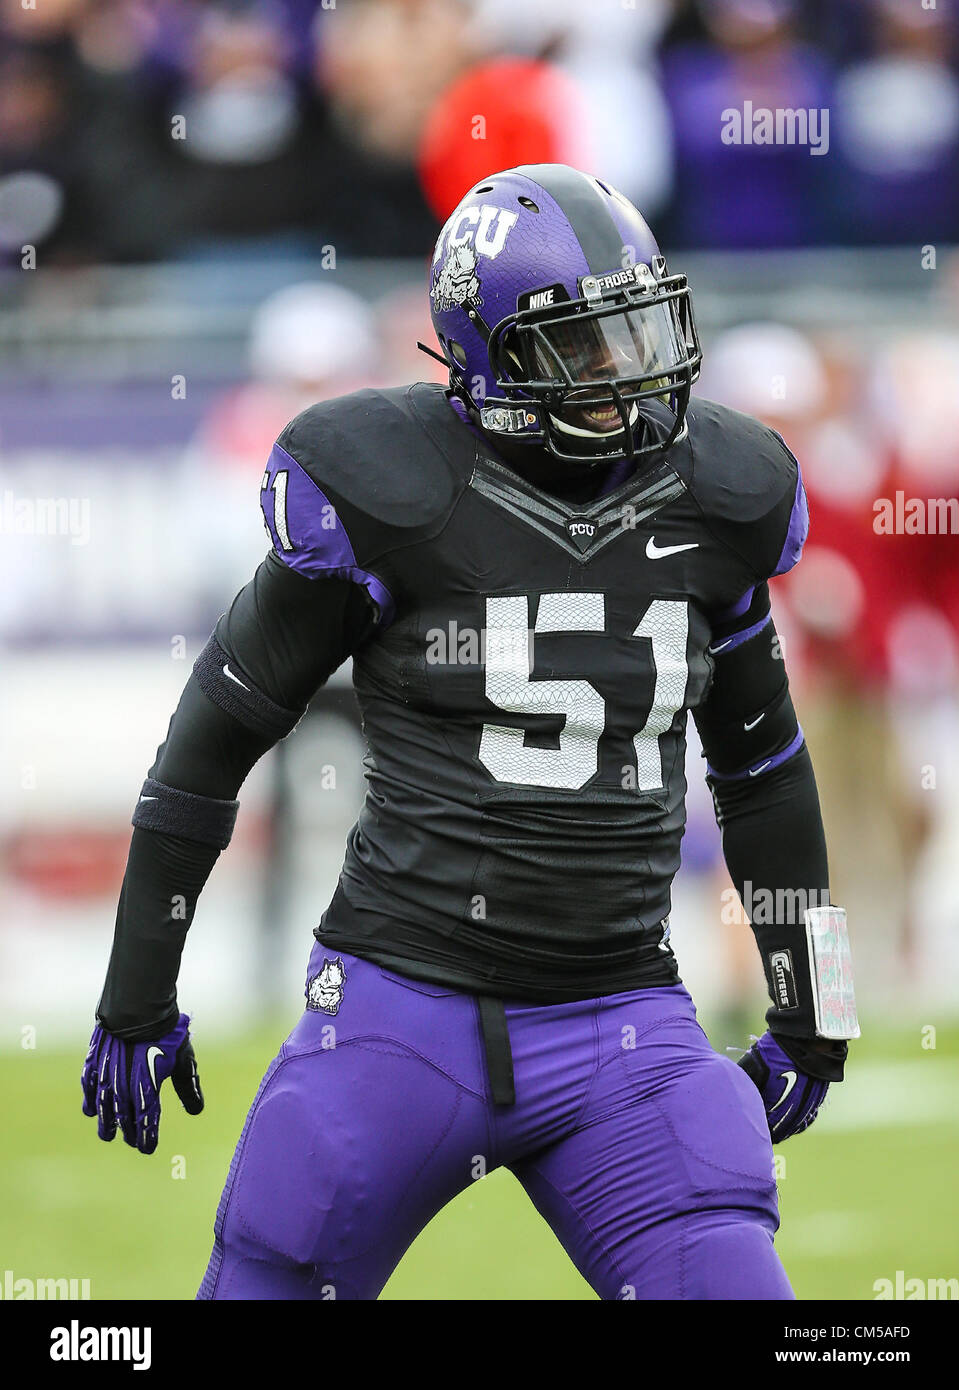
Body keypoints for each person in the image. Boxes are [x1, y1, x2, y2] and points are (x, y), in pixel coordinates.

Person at [82, 164, 858, 1301]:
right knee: (270, 1267)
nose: (631, 373)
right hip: (404, 1015)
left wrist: (815, 1008)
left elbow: (770, 776)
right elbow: (207, 750)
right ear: (492, 357)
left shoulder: (720, 489)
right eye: (587, 345)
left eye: (639, 330)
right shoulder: (385, 484)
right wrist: (135, 994)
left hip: (623, 1024)